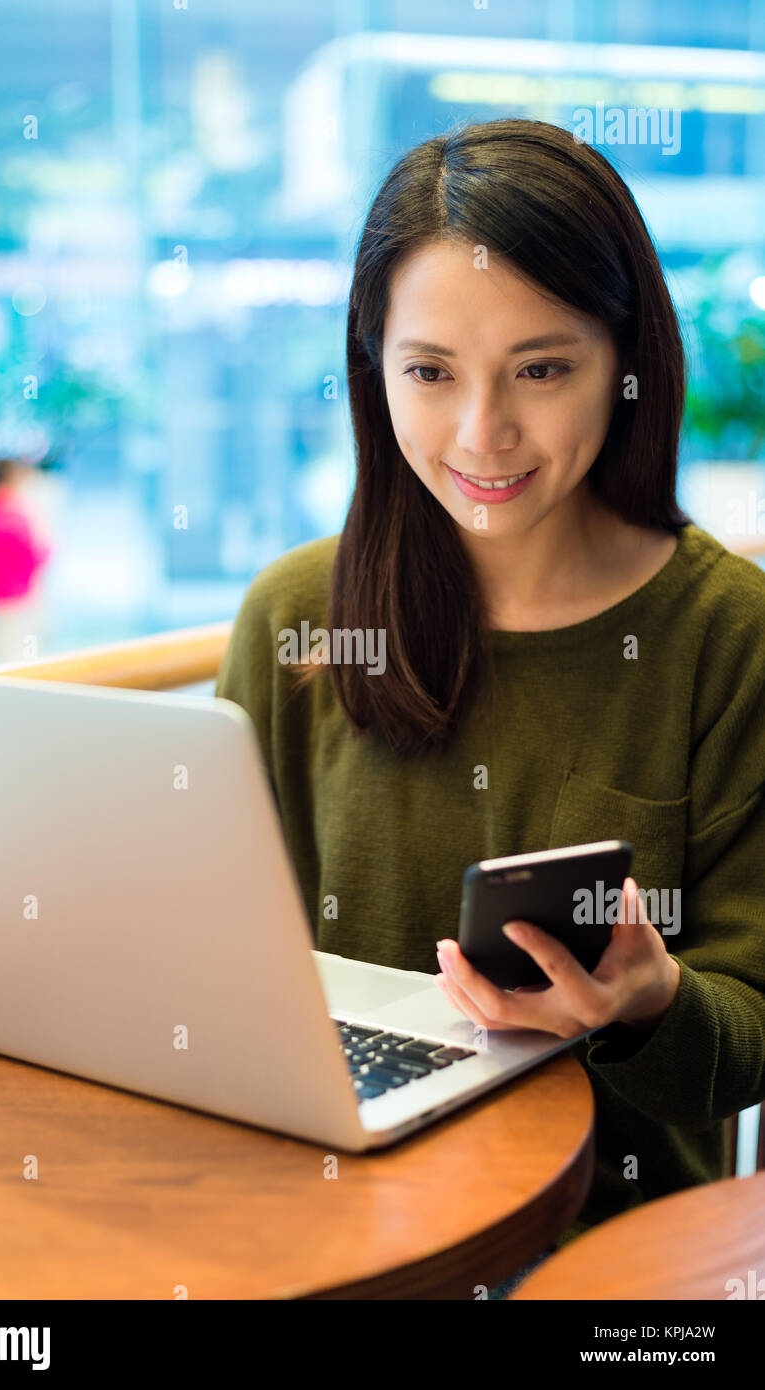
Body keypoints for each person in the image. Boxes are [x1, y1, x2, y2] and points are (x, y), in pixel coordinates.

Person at [214, 118, 765, 1297]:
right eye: (428, 372)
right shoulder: (295, 616)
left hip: (599, 1254)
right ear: (372, 367)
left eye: (541, 368)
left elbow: (750, 1032)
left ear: (625, 359)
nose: (481, 435)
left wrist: (647, 1002)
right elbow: (207, 956)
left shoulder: (726, 637)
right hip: (319, 1215)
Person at [0, 455, 53, 664]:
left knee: (5, 646)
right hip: (21, 590)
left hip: (0, 590)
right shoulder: (17, 510)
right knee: (23, 648)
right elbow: (38, 551)